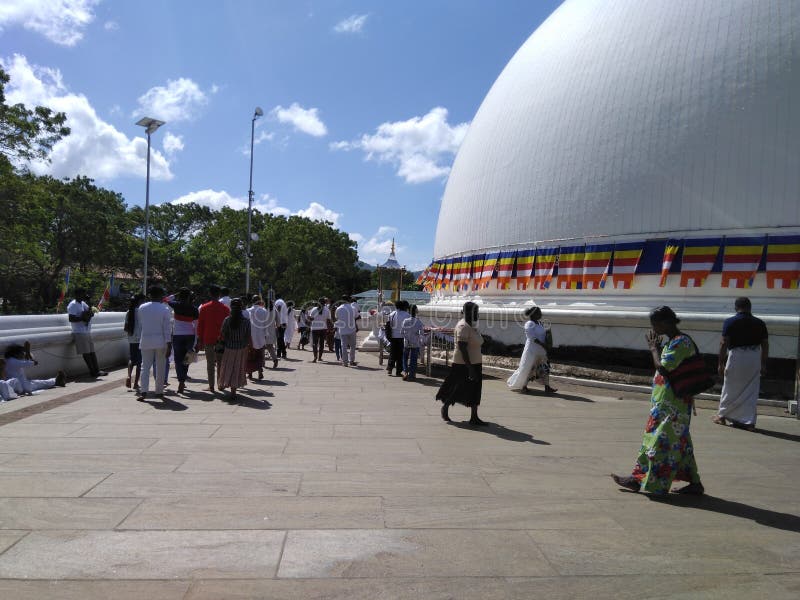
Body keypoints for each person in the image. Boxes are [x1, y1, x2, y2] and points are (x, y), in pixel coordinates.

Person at [611, 306, 704, 496]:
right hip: (668, 403)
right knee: (679, 443)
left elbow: (663, 368)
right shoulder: (675, 342)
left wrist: (653, 348)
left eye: (655, 324)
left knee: (658, 442)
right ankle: (695, 483)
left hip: (672, 405)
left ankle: (646, 481)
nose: (653, 328)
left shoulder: (681, 342)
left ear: (666, 322)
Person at [714, 297, 769, 431]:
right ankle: (748, 422)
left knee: (730, 387)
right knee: (751, 390)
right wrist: (763, 363)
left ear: (736, 308)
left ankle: (722, 416)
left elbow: (723, 344)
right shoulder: (760, 323)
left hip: (736, 356)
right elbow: (765, 345)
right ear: (750, 307)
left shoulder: (730, 322)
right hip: (754, 356)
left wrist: (720, 363)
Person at [435, 302, 487, 426]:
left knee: (475, 388)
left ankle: (474, 416)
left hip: (475, 362)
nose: (476, 314)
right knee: (456, 388)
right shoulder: (463, 326)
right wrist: (470, 368)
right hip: (463, 363)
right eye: (473, 312)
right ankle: (446, 406)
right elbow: (462, 348)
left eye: (477, 312)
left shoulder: (473, 326)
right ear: (465, 313)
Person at [506, 305, 557, 394]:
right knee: (528, 368)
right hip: (532, 350)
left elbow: (544, 335)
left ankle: (547, 386)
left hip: (541, 350)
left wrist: (547, 339)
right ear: (534, 315)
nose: (541, 314)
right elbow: (531, 337)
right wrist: (542, 344)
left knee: (544, 367)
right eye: (539, 313)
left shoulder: (540, 323)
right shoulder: (529, 324)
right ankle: (524, 386)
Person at [136, 286, 173, 401]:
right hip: (160, 341)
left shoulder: (142, 307)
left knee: (145, 367)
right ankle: (159, 391)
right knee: (160, 367)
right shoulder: (165, 309)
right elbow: (167, 328)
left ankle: (144, 391)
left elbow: (141, 323)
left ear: (150, 295)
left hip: (146, 339)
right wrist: (169, 344)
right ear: (161, 296)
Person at [196, 285, 230, 393]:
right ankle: (220, 384)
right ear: (219, 294)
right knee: (220, 362)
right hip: (221, 339)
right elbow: (227, 326)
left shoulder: (204, 308)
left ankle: (211, 386)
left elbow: (200, 325)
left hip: (208, 338)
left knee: (210, 363)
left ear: (210, 294)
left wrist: (200, 339)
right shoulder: (225, 308)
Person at [67, 289, 107, 378]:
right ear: (77, 294)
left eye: (84, 294)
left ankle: (97, 370)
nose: (83, 296)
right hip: (79, 331)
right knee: (86, 353)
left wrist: (89, 306)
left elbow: (90, 312)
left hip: (86, 331)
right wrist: (83, 317)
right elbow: (71, 319)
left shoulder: (82, 303)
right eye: (82, 294)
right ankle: (92, 371)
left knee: (92, 352)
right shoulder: (73, 305)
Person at [218, 298, 251, 402]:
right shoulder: (246, 321)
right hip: (241, 349)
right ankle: (233, 390)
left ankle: (225, 384)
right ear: (241, 307)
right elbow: (248, 336)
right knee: (238, 368)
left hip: (229, 348)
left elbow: (222, 334)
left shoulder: (227, 320)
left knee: (228, 367)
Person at [166, 287, 198, 395]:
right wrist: (197, 341)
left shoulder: (175, 304)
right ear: (189, 296)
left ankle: (181, 380)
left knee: (178, 360)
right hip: (190, 336)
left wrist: (175, 294)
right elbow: (196, 326)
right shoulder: (194, 309)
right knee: (187, 359)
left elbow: (165, 299)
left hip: (177, 335)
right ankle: (183, 379)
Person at [123, 293, 146, 390]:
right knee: (139, 362)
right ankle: (136, 383)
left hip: (131, 338)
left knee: (131, 359)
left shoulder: (129, 312)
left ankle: (128, 376)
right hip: (141, 338)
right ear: (140, 301)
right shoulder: (142, 311)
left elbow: (125, 327)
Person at [386, 300, 411, 377]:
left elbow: (388, 325)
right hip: (402, 337)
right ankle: (398, 371)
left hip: (393, 336)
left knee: (392, 353)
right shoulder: (407, 315)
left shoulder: (392, 314)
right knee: (400, 355)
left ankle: (390, 368)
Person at [401, 304, 424, 380]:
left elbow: (402, 333)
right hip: (415, 342)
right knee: (413, 359)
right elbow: (422, 334)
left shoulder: (405, 321)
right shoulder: (419, 322)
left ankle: (405, 372)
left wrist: (407, 338)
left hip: (407, 342)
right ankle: (412, 374)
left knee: (405, 358)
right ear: (416, 311)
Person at [335, 295, 358, 367]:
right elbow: (356, 316)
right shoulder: (353, 308)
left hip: (342, 329)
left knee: (343, 346)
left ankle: (345, 362)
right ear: (349, 300)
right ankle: (351, 361)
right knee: (352, 346)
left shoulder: (338, 309)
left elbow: (336, 318)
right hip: (352, 329)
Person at [308, 298, 331, 362]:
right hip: (323, 329)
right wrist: (329, 329)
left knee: (315, 343)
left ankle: (315, 357)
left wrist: (309, 320)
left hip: (315, 329)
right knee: (321, 343)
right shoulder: (327, 310)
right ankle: (320, 357)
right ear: (324, 303)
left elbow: (311, 319)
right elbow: (328, 321)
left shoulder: (313, 309)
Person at [274, 294, 288, 359]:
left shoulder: (278, 302)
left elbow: (278, 309)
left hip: (280, 322)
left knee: (280, 338)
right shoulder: (283, 302)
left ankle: (281, 353)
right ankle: (281, 353)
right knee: (280, 338)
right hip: (283, 322)